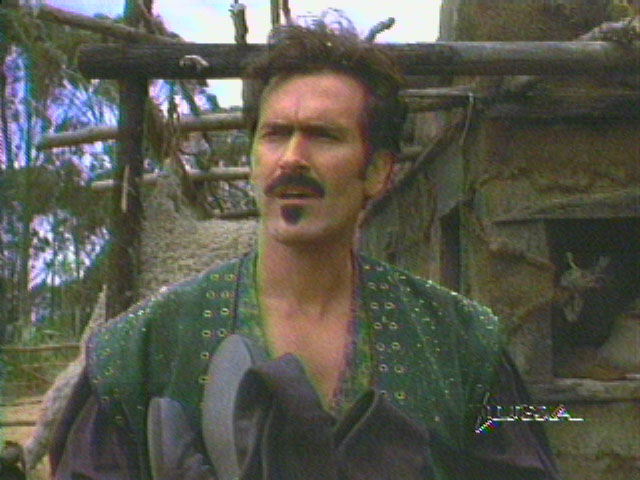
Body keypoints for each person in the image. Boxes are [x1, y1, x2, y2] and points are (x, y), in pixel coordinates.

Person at [50, 24, 561, 480]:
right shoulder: (141, 350)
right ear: (253, 161)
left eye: (323, 136)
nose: (292, 158)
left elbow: (543, 433)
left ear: (379, 171)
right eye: (276, 135)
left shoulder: (462, 343)